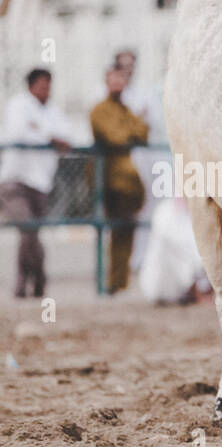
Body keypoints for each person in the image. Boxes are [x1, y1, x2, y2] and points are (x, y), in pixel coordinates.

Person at [0, 68, 73, 297]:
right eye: (42, 86)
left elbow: (69, 137)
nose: (47, 90)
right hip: (15, 180)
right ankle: (38, 278)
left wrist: (41, 131)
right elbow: (17, 133)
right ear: (31, 86)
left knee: (30, 233)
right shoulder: (18, 105)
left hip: (41, 183)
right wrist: (51, 137)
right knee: (28, 228)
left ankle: (24, 285)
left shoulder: (53, 111)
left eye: (49, 86)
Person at [90, 67, 150, 293]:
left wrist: (131, 130)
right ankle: (111, 283)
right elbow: (117, 137)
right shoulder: (100, 110)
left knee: (126, 231)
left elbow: (142, 133)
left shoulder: (125, 110)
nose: (118, 84)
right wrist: (131, 131)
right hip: (110, 181)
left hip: (129, 183)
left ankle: (118, 283)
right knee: (114, 231)